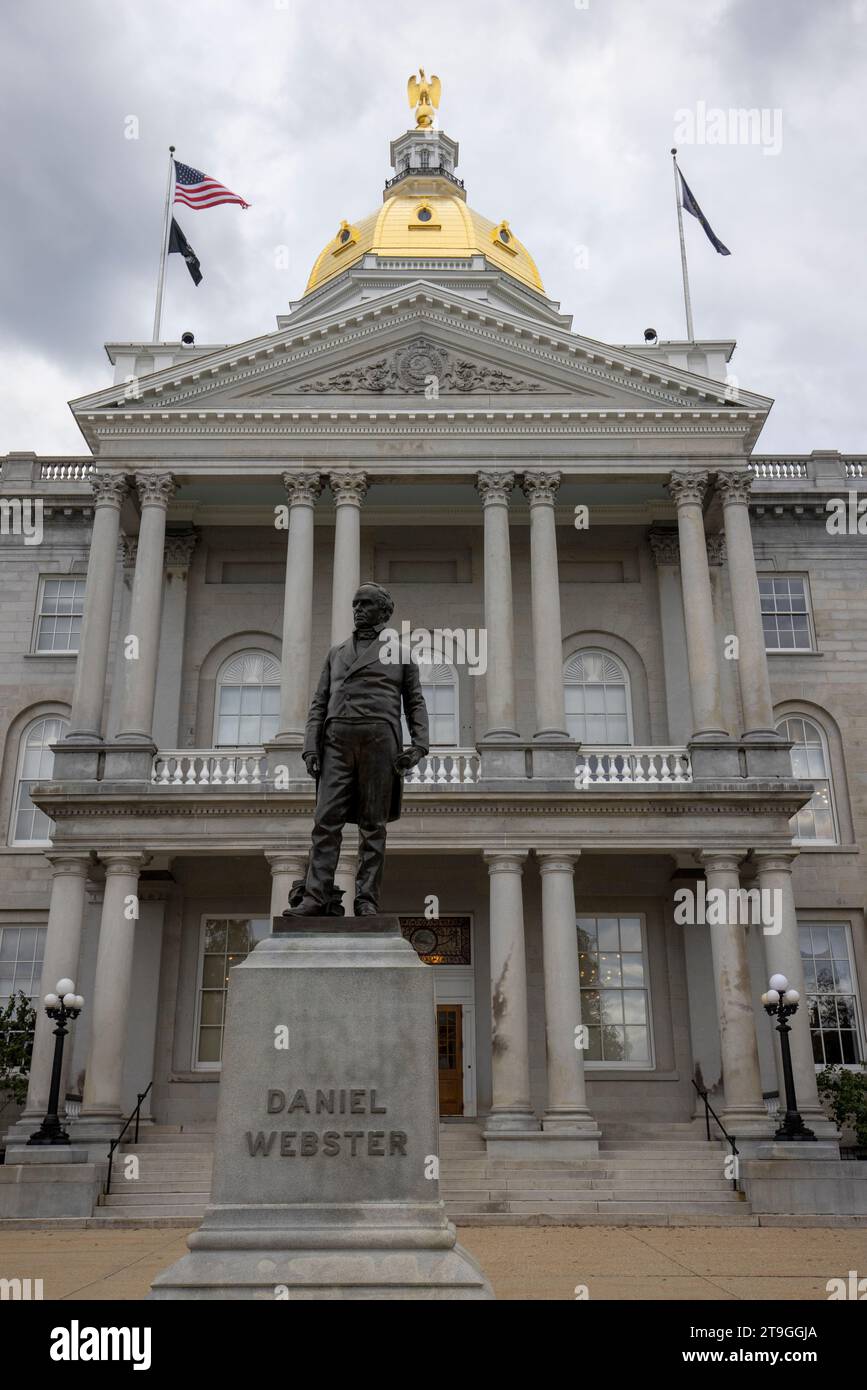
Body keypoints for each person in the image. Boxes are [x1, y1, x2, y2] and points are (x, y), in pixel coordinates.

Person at [284, 582, 429, 917]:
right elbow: (319, 703)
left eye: (366, 604)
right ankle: (316, 897)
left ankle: (366, 900)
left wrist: (420, 745)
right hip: (336, 742)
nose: (358, 609)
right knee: (325, 821)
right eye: (356, 604)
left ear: (384, 612)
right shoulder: (336, 653)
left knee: (373, 825)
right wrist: (310, 747)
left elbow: (415, 703)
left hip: (380, 742)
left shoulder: (401, 652)